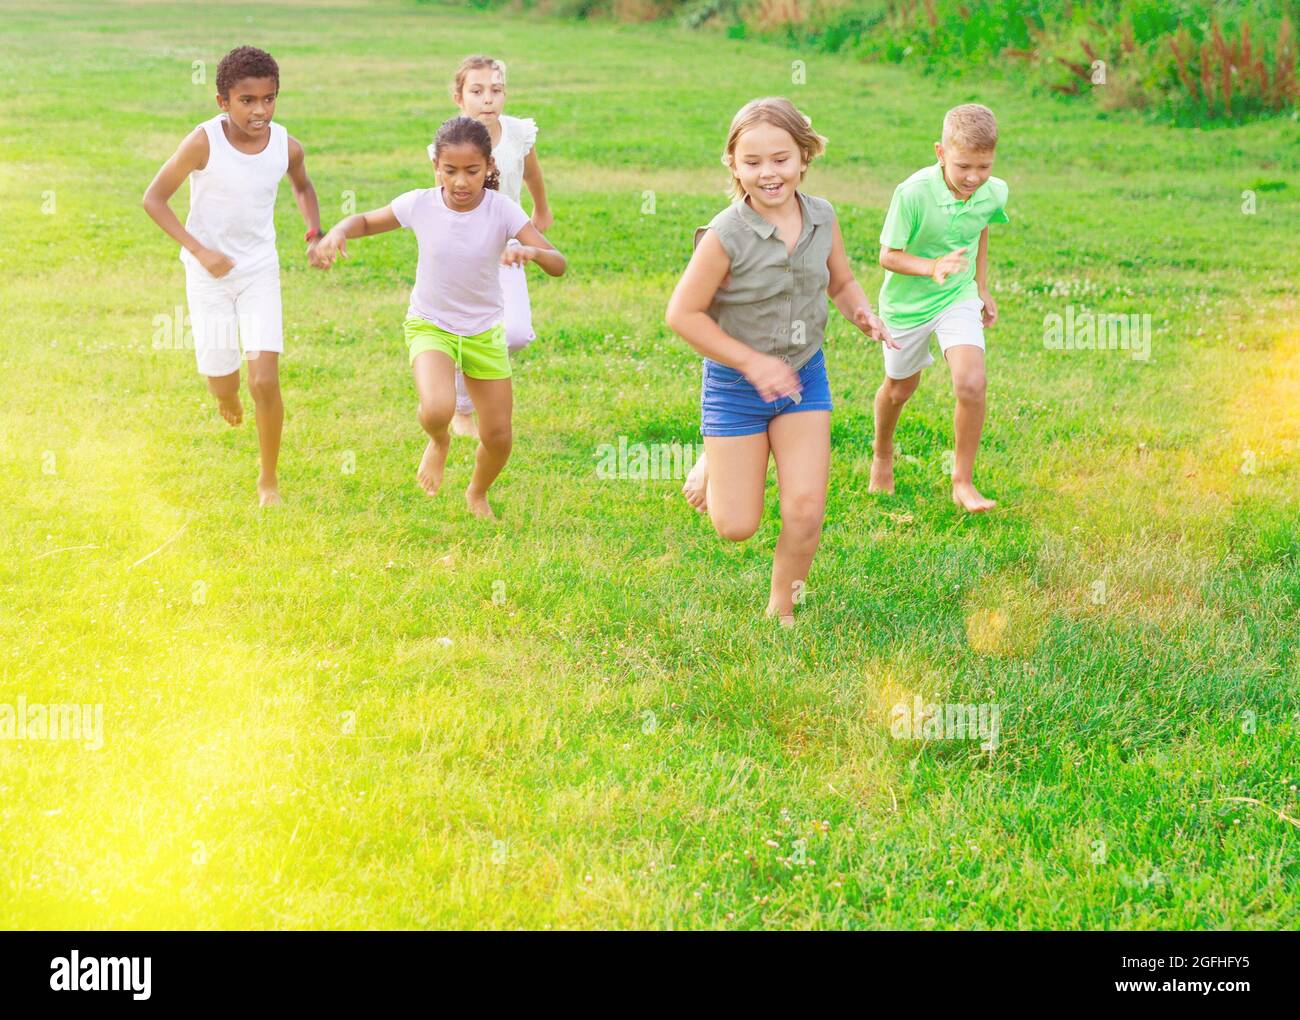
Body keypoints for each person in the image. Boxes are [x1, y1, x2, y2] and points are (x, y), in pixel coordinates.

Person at [666, 97, 896, 625]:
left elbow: (840, 280)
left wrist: (861, 312)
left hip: (801, 377)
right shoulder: (725, 235)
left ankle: (782, 606)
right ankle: (716, 457)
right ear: (734, 166)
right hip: (735, 386)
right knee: (735, 525)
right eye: (752, 163)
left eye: (780, 159)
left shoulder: (822, 217)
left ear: (804, 157)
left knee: (805, 508)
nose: (768, 173)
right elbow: (682, 314)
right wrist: (752, 363)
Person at [310, 116, 566, 520]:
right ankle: (439, 441)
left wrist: (530, 252)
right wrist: (338, 231)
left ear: (490, 168)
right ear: (436, 168)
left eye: (472, 171)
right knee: (436, 408)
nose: (461, 182)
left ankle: (477, 492)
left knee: (498, 437)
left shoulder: (502, 210)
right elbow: (365, 221)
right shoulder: (420, 204)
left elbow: (559, 263)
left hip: (483, 332)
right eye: (450, 171)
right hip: (431, 324)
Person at [142, 45, 322, 507]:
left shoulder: (286, 145)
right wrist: (201, 251)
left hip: (259, 270)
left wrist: (313, 231)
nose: (260, 110)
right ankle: (226, 396)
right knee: (222, 378)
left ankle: (268, 479)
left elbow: (302, 184)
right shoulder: (203, 142)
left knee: (264, 379)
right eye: (247, 100)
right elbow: (154, 199)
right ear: (223, 100)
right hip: (209, 277)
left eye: (269, 98)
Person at [870, 103, 1009, 513]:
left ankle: (962, 481)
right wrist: (931, 267)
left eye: (983, 167)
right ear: (940, 153)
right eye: (964, 165)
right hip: (906, 305)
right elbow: (888, 255)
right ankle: (881, 453)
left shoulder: (992, 191)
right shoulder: (912, 193)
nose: (973, 178)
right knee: (900, 389)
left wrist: (981, 287)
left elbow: (980, 225)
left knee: (971, 383)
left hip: (956, 296)